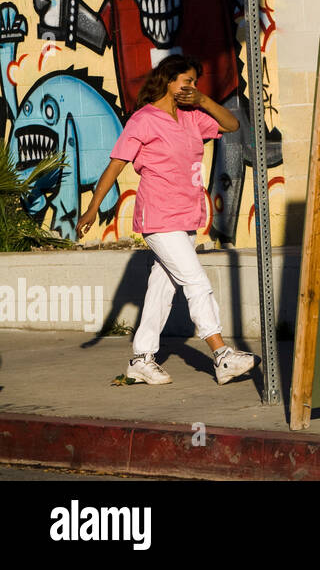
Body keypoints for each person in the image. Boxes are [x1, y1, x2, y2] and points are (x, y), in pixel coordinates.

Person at [77, 54, 259, 385]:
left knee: (162, 288)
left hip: (187, 214)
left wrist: (202, 100)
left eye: (195, 83)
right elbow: (116, 164)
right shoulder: (143, 120)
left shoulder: (191, 116)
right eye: (187, 81)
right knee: (195, 281)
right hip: (158, 217)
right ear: (168, 80)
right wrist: (93, 207)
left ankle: (141, 359)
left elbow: (231, 125)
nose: (192, 87)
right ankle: (221, 355)